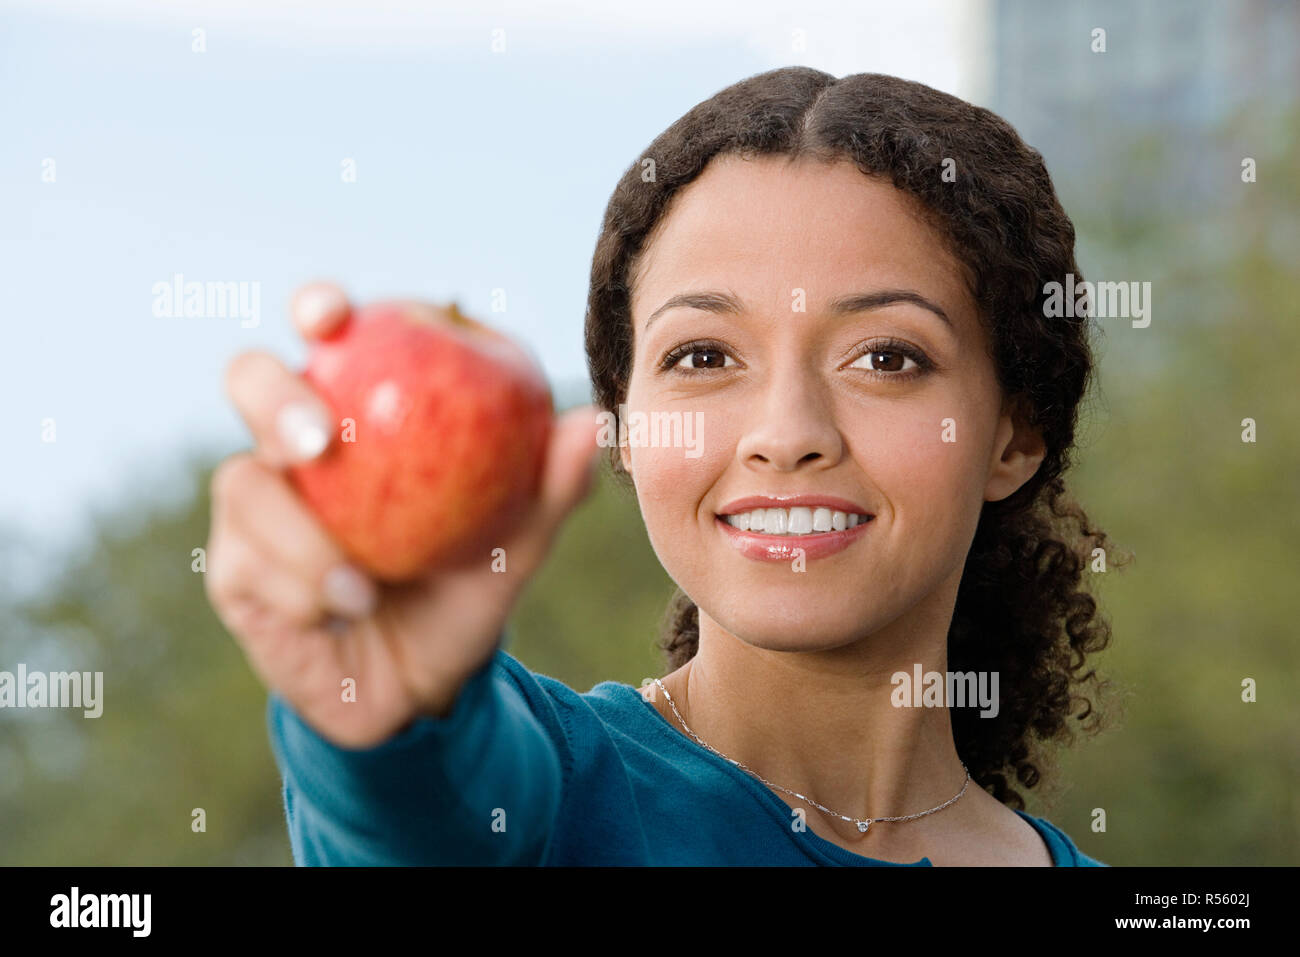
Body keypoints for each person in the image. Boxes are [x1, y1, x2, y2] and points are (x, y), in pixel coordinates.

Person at [206, 67, 1117, 866]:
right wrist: (390, 729)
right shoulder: (553, 795)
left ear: (1014, 436)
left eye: (885, 356)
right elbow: (426, 820)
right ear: (626, 427)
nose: (786, 431)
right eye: (705, 357)